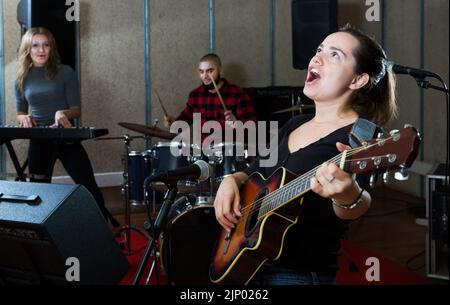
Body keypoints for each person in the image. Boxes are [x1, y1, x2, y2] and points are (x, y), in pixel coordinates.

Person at [213, 25, 397, 285]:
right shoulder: (295, 123)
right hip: (247, 259)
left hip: (298, 273)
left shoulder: (362, 135)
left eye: (335, 54)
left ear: (357, 80)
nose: (317, 57)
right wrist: (231, 180)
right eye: (319, 49)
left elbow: (358, 205)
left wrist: (346, 195)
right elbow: (255, 170)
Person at [14, 27, 119, 227]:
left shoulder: (65, 72)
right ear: (28, 49)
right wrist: (24, 117)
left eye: (46, 45)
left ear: (52, 48)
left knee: (88, 186)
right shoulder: (21, 78)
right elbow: (20, 113)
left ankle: (103, 232)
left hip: (66, 138)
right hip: (39, 140)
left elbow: (76, 109)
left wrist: (63, 113)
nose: (41, 50)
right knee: (38, 191)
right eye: (35, 45)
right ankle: (41, 233)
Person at [163, 53, 257, 142]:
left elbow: (253, 129)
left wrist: (236, 123)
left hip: (230, 153)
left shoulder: (237, 94)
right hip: (203, 152)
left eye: (210, 71)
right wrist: (173, 123)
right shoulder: (195, 95)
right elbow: (184, 122)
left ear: (220, 70)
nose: (205, 76)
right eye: (201, 72)